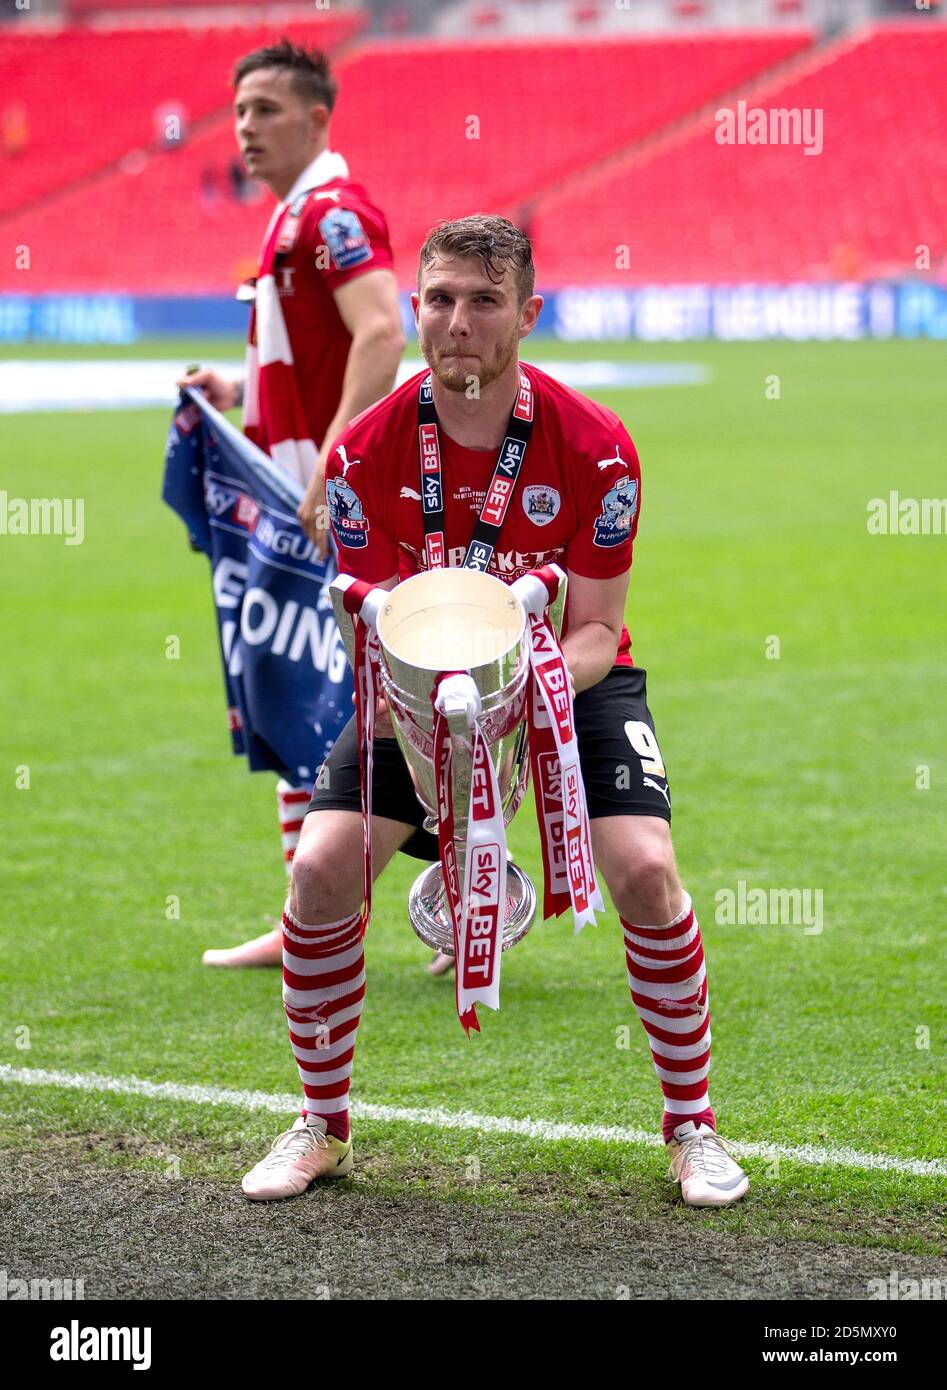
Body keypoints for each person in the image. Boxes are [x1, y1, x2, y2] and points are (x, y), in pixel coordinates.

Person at [240, 215, 749, 1209]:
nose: (456, 321)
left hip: (569, 686)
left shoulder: (595, 447)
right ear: (415, 308)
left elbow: (599, 626)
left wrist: (523, 694)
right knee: (319, 866)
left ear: (527, 311)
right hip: (414, 696)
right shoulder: (364, 455)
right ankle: (319, 1120)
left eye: (482, 300)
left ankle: (692, 1126)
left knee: (645, 869)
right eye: (437, 298)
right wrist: (422, 709)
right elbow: (366, 620)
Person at [177, 40, 404, 967]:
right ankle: (313, 916)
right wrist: (240, 390)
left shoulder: (334, 215)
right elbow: (313, 354)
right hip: (298, 494)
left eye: (265, 110)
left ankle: (465, 886)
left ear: (317, 119)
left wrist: (332, 463)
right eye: (238, 113)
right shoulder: (291, 219)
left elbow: (382, 333)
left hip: (325, 505)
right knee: (302, 687)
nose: (245, 129)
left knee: (348, 696)